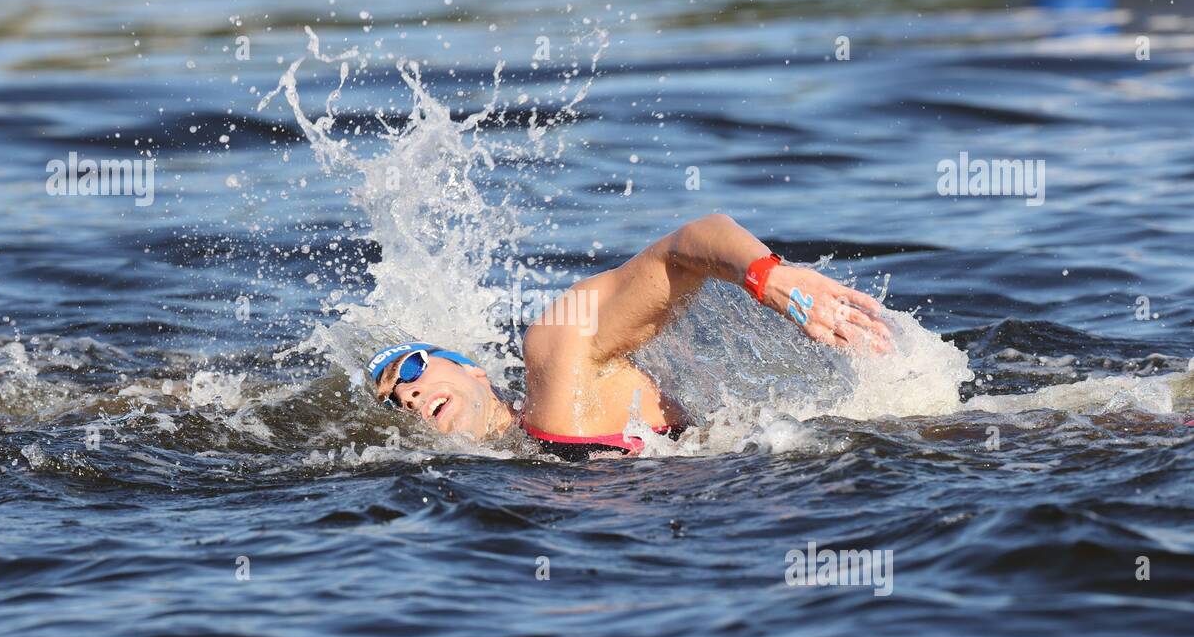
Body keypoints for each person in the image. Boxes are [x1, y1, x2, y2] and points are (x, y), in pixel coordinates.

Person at [368, 213, 891, 458]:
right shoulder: (506, 461)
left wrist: (769, 279)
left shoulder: (555, 356)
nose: (406, 393)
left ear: (470, 368)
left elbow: (685, 245)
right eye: (393, 401)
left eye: (411, 368)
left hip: (826, 473)